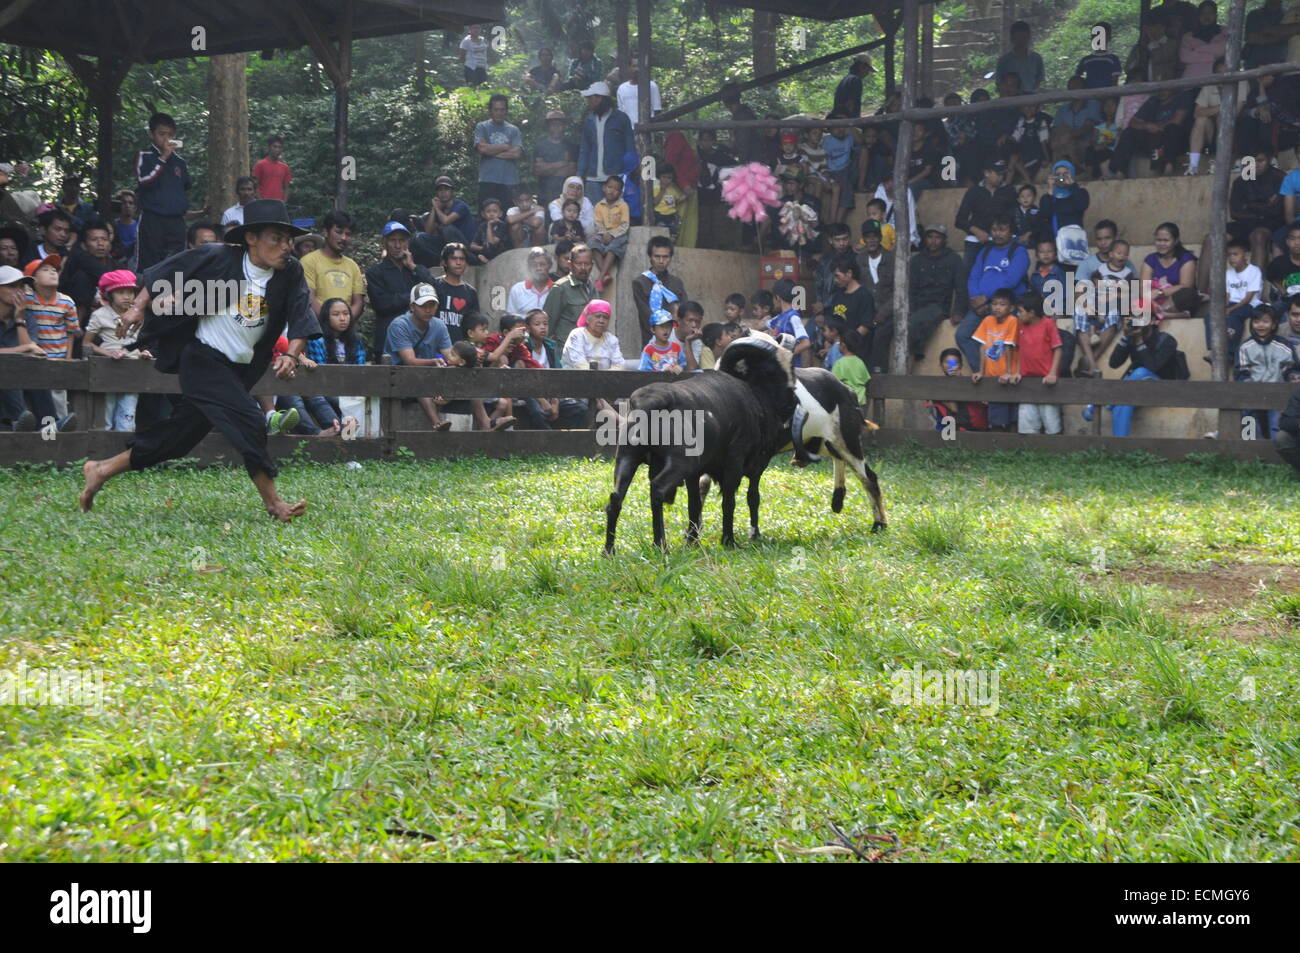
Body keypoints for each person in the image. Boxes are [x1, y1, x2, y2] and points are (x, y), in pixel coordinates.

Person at [79, 200, 318, 520]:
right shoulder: (219, 256)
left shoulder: (291, 273)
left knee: (177, 439)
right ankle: (275, 504)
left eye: (288, 240)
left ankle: (101, 469)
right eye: (276, 237)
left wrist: (290, 353)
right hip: (202, 358)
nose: (286, 246)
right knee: (248, 418)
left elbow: (302, 316)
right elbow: (166, 273)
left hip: (242, 368)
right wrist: (137, 307)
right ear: (252, 238)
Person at [957, 215, 1030, 370]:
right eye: (994, 230)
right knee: (962, 335)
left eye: (1002, 230)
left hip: (1009, 305)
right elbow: (974, 276)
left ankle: (1008, 372)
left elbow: (1011, 280)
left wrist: (986, 298)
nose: (998, 234)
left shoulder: (1019, 252)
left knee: (1013, 340)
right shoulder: (985, 251)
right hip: (981, 305)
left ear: (1011, 232)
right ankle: (983, 372)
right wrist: (975, 298)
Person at [385, 283, 457, 432]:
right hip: (398, 376)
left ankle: (487, 425)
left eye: (432, 305)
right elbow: (410, 361)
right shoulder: (399, 325)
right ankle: (437, 423)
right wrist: (433, 361)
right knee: (417, 378)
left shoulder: (439, 326)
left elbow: (450, 357)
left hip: (428, 374)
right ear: (412, 306)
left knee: (463, 372)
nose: (428, 310)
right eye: (423, 305)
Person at [0, 265, 64, 432]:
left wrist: (19, 319)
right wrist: (22, 349)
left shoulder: (27, 316)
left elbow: (30, 351)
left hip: (21, 372)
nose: (19, 291)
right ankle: (18, 421)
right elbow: (26, 348)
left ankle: (50, 426)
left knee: (35, 371)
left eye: (21, 286)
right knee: (7, 370)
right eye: (12, 286)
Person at [85, 270, 149, 431]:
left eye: (130, 292)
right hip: (108, 368)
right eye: (121, 292)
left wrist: (142, 352)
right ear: (110, 295)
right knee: (105, 418)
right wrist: (109, 353)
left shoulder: (138, 315)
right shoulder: (100, 315)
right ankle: (102, 453)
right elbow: (87, 344)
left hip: (132, 369)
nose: (127, 296)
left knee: (128, 418)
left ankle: (121, 452)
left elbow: (136, 342)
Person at [1100, 315, 1184, 437]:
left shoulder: (1166, 340)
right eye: (1132, 318)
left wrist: (1140, 342)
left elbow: (1152, 367)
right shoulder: (1131, 339)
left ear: (1150, 321)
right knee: (1125, 402)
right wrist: (1125, 336)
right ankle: (1120, 448)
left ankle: (1108, 401)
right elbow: (1114, 364)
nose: (1135, 321)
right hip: (1136, 388)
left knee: (1140, 372)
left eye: (1139, 318)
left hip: (1164, 387)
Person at [365, 219, 434, 359]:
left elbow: (435, 290)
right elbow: (383, 304)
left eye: (402, 240)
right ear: (384, 243)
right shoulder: (375, 273)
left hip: (417, 342)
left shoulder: (415, 270)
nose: (397, 245)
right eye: (392, 240)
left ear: (407, 243)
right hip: (387, 341)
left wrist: (413, 267)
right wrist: (416, 297)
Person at [135, 113, 192, 271]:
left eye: (170, 135)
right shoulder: (144, 156)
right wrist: (163, 158)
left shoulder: (180, 162)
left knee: (177, 261)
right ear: (152, 134)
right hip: (153, 218)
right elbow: (144, 180)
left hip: (176, 220)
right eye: (161, 134)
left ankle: (174, 295)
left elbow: (185, 186)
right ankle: (148, 294)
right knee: (150, 263)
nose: (166, 139)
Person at [1075, 238, 1134, 377]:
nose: (1123, 256)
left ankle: (1089, 364)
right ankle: (1093, 332)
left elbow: (1129, 292)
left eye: (1125, 254)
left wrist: (1113, 294)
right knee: (1082, 308)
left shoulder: (1127, 273)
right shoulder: (1101, 269)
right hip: (1099, 300)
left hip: (1114, 303)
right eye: (1119, 253)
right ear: (1111, 254)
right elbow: (1095, 284)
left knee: (1113, 312)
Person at [1109, 87, 1194, 178]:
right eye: (1159, 89)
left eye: (1165, 88)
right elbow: (1133, 122)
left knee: (1172, 129)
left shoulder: (1182, 96)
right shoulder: (1152, 101)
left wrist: (1158, 127)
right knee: (1129, 132)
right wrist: (1146, 125)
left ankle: (1168, 169)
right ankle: (1119, 172)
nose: (1161, 92)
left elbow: (1177, 120)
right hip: (1154, 141)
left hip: (1176, 141)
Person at [1236, 304, 1294, 438]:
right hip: (1252, 392)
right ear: (1251, 324)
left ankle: (1276, 455)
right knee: (1248, 420)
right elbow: (1241, 371)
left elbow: (1291, 368)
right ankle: (1250, 451)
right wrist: (1247, 384)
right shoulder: (1245, 347)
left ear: (1273, 325)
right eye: (1256, 321)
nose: (1260, 325)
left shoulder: (1284, 345)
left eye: (1265, 321)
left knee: (1276, 424)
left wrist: (1291, 376)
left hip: (1277, 392)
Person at [1010, 291, 1063, 435]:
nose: (1017, 314)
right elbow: (1019, 350)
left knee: (1051, 424)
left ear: (1031, 313)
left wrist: (1052, 373)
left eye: (1020, 311)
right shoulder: (1020, 326)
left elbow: (1058, 349)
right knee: (1027, 424)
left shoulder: (1048, 324)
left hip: (1047, 382)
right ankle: (1030, 455)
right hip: (1026, 382)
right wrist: (1017, 372)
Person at [300, 209, 365, 324]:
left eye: (348, 234)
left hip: (345, 333)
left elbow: (358, 302)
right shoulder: (308, 261)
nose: (344, 238)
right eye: (339, 232)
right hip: (316, 331)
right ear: (326, 232)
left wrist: (344, 323)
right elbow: (309, 298)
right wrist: (330, 323)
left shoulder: (352, 266)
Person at [970, 288, 1021, 431]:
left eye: (1002, 304)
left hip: (1010, 378)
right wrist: (981, 372)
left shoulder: (1013, 321)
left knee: (1013, 418)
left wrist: (1008, 372)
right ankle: (998, 451)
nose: (997, 307)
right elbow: (982, 347)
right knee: (996, 419)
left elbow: (1009, 347)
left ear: (1011, 308)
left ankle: (1014, 451)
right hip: (992, 377)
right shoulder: (988, 320)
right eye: (995, 304)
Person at [577, 82, 635, 206]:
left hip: (615, 175)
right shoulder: (589, 120)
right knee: (594, 214)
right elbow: (585, 149)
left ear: (600, 98)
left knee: (616, 212)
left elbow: (630, 147)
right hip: (593, 176)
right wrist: (580, 174)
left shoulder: (621, 118)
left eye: (591, 98)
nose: (589, 102)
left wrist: (628, 173)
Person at [1187, 59, 1249, 175]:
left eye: (1226, 72)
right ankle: (1193, 166)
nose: (1223, 75)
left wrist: (1212, 111)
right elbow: (1197, 112)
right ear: (1214, 74)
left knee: (1223, 117)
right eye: (1219, 72)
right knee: (1201, 120)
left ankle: (1221, 164)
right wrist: (1222, 106)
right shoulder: (1210, 85)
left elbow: (1235, 113)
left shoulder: (1241, 82)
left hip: (1237, 132)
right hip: (1214, 132)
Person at [1207, 240, 1266, 361]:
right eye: (1229, 255)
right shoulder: (1228, 273)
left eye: (1235, 254)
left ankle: (1230, 352)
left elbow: (1249, 297)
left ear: (1246, 255)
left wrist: (1230, 310)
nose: (1231, 258)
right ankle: (1214, 349)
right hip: (1234, 304)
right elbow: (1228, 295)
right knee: (1210, 317)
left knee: (1234, 316)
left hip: (1250, 304)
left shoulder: (1254, 271)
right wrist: (1224, 308)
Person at [955, 159, 1017, 269]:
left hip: (1003, 238)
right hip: (977, 240)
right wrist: (977, 231)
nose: (1001, 178)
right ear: (986, 173)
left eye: (1003, 174)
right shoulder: (974, 191)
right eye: (998, 174)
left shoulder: (1009, 190)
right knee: (968, 271)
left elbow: (1015, 215)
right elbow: (960, 220)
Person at [1228, 147, 1285, 267]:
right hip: (1245, 222)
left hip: (1270, 224)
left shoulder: (1279, 177)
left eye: (1260, 161)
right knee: (1212, 238)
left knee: (1258, 235)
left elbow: (1277, 211)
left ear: (1269, 160)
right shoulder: (1241, 180)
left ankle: (1255, 285)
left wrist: (1250, 206)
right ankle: (1203, 286)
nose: (1255, 165)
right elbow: (1234, 212)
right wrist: (1263, 208)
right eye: (1251, 161)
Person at [59, 220, 116, 326]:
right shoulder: (77, 258)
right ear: (84, 245)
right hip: (72, 319)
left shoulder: (116, 265)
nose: (100, 244)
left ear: (109, 243)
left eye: (104, 239)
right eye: (94, 239)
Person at [631, 235, 686, 346]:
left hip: (677, 342)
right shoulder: (640, 282)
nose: (661, 261)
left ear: (670, 258)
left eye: (665, 257)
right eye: (657, 256)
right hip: (652, 342)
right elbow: (646, 316)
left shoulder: (677, 283)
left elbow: (685, 312)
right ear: (650, 257)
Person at [474, 95, 523, 211]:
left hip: (509, 181)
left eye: (502, 110)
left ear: (506, 111)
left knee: (509, 216)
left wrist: (491, 151)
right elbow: (482, 149)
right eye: (496, 109)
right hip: (487, 179)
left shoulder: (513, 130)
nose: (499, 113)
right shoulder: (482, 127)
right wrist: (505, 146)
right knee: (485, 215)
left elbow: (516, 153)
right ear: (490, 110)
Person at [1141, 222, 1199, 320]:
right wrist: (1153, 304)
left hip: (1175, 301)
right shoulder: (1150, 259)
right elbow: (1144, 287)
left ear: (1176, 241)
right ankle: (1162, 314)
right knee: (1133, 286)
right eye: (1158, 240)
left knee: (1188, 293)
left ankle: (1158, 314)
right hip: (1153, 301)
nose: (1161, 244)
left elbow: (1185, 286)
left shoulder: (1186, 259)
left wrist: (1160, 292)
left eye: (1166, 240)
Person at [543, 244, 596, 345]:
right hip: (566, 350)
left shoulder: (591, 288)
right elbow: (547, 325)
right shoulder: (560, 288)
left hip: (589, 348)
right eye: (579, 264)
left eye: (587, 264)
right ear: (570, 264)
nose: (583, 268)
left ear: (592, 265)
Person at [416, 176, 475, 267]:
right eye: (440, 190)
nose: (443, 193)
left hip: (465, 245)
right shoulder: (439, 209)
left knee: (447, 229)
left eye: (446, 189)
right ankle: (444, 259)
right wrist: (434, 209)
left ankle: (467, 257)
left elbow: (446, 221)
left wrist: (436, 207)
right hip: (447, 244)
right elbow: (428, 231)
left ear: (452, 191)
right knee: (421, 237)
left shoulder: (460, 205)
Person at [1051, 77, 1102, 172]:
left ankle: (1075, 169)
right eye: (1071, 88)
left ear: (1085, 88)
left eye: (1076, 87)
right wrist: (1059, 139)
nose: (1073, 91)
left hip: (1087, 144)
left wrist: (1069, 136)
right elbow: (1056, 131)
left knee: (1065, 143)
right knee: (1058, 144)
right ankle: (1061, 178)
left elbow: (1087, 127)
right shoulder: (1062, 110)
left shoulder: (1093, 104)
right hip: (1065, 145)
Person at [590, 175, 630, 292]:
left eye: (616, 189)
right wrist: (603, 234)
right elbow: (598, 223)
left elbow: (625, 225)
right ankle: (606, 274)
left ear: (620, 193)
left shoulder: (623, 206)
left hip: (619, 235)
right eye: (609, 187)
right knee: (592, 243)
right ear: (604, 188)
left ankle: (600, 277)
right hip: (602, 234)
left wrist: (612, 235)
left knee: (613, 247)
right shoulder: (598, 205)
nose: (612, 191)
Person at [433, 243, 479, 344]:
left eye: (462, 259)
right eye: (454, 258)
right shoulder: (434, 286)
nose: (458, 262)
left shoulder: (471, 292)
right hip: (436, 348)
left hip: (462, 351)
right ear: (445, 262)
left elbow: (474, 325)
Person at [534, 111, 579, 213]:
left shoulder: (572, 146)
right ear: (548, 127)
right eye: (553, 125)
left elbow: (571, 171)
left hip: (566, 192)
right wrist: (563, 163)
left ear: (564, 126)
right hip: (544, 192)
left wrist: (547, 168)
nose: (556, 128)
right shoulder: (540, 146)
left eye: (559, 125)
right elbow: (538, 170)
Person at [561, 298, 623, 369]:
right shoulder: (577, 335)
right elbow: (579, 364)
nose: (601, 321)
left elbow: (619, 365)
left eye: (605, 317)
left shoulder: (611, 339)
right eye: (597, 316)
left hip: (606, 378)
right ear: (587, 319)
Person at [1036, 160, 1090, 241]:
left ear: (1072, 174)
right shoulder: (1047, 197)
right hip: (1054, 239)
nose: (1061, 177)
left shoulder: (1080, 192)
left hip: (1074, 239)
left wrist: (1072, 185)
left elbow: (1081, 206)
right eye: (1058, 175)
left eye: (1065, 174)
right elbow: (1045, 214)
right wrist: (1050, 189)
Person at [1007, 102, 1054, 187]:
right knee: (1014, 158)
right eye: (1026, 106)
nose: (1028, 108)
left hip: (1037, 157)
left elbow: (1043, 142)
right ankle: (1008, 184)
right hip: (1024, 157)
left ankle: (1028, 182)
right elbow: (1015, 139)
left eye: (1032, 106)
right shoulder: (1021, 121)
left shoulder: (1040, 121)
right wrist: (1005, 136)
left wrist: (1047, 158)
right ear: (1021, 108)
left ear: (1037, 108)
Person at [768, 277, 811, 367]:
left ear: (777, 297)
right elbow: (766, 325)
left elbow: (806, 343)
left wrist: (786, 354)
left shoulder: (793, 317)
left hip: (792, 369)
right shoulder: (780, 318)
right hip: (780, 369)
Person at [1179, 1, 1227, 79]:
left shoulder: (1224, 32)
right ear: (1198, 16)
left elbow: (1222, 50)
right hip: (1191, 81)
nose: (1206, 16)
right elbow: (1185, 57)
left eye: (1210, 13)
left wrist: (1197, 50)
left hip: (1218, 80)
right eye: (1203, 13)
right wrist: (1212, 56)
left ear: (1216, 15)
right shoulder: (1188, 36)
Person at [996, 21, 1045, 94]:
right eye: (1018, 37)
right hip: (1011, 100)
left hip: (1032, 100)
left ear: (1029, 38)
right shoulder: (1004, 61)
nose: (1021, 41)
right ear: (1012, 39)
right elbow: (999, 83)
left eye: (1024, 37)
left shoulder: (1036, 59)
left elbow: (1039, 80)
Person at [721, 84, 761, 165]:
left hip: (752, 160)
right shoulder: (745, 112)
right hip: (754, 157)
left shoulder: (741, 116)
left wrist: (742, 164)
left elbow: (743, 142)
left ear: (725, 102)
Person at [1075, 22, 1123, 88]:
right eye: (1095, 36)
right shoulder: (1085, 60)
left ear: (1109, 38)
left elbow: (1115, 82)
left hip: (1107, 95)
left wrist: (1112, 97)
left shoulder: (1113, 59)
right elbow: (1076, 79)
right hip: (1089, 95)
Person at [508, 248, 555, 315]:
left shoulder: (556, 290)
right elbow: (511, 319)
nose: (538, 268)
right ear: (529, 267)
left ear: (549, 266)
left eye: (542, 264)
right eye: (534, 265)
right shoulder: (517, 289)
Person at [639, 308, 687, 374]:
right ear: (653, 329)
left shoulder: (676, 347)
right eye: (662, 326)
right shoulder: (649, 350)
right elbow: (643, 372)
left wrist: (680, 368)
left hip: (675, 382)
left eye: (669, 326)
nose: (666, 330)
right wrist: (662, 371)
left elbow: (683, 365)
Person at [616, 59, 661, 126]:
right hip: (628, 130)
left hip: (647, 129)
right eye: (634, 66)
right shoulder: (622, 88)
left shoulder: (651, 86)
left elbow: (657, 110)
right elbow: (621, 112)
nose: (637, 69)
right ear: (629, 68)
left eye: (639, 66)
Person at [832, 329, 871, 405]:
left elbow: (833, 381)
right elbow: (866, 379)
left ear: (843, 345)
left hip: (846, 401)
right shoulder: (860, 362)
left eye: (839, 344)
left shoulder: (840, 363)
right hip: (861, 400)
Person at [468, 198, 511, 265]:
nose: (491, 214)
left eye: (495, 211)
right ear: (483, 214)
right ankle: (485, 260)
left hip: (500, 253)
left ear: (500, 213)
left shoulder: (502, 225)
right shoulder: (482, 226)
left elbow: (492, 243)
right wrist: (483, 248)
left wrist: (489, 226)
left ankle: (488, 261)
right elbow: (472, 245)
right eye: (488, 211)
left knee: (492, 248)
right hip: (485, 252)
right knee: (467, 253)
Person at [832, 53, 875, 118]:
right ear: (862, 67)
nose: (867, 73)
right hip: (846, 120)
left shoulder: (847, 78)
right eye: (868, 70)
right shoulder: (856, 80)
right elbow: (850, 104)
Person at [252, 136, 292, 206]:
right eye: (275, 146)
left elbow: (286, 188)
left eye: (279, 147)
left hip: (278, 204)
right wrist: (260, 201)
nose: (277, 149)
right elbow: (255, 186)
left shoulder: (285, 167)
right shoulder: (260, 165)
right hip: (263, 203)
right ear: (269, 147)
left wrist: (284, 202)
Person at [651, 164, 687, 240]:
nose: (666, 180)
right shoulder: (656, 188)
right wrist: (662, 190)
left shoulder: (672, 189)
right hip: (660, 215)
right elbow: (655, 202)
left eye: (669, 178)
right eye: (663, 177)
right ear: (659, 177)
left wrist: (685, 196)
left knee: (673, 235)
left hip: (671, 215)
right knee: (660, 235)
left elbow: (675, 202)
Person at [1267, 225, 1300, 298]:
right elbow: (1271, 277)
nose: (1297, 242)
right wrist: (1283, 290)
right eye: (1292, 238)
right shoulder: (1279, 262)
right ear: (1287, 241)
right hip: (1287, 301)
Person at [112, 189, 138, 263]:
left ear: (135, 207)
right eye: (123, 203)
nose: (127, 206)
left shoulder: (139, 227)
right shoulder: (112, 226)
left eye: (130, 203)